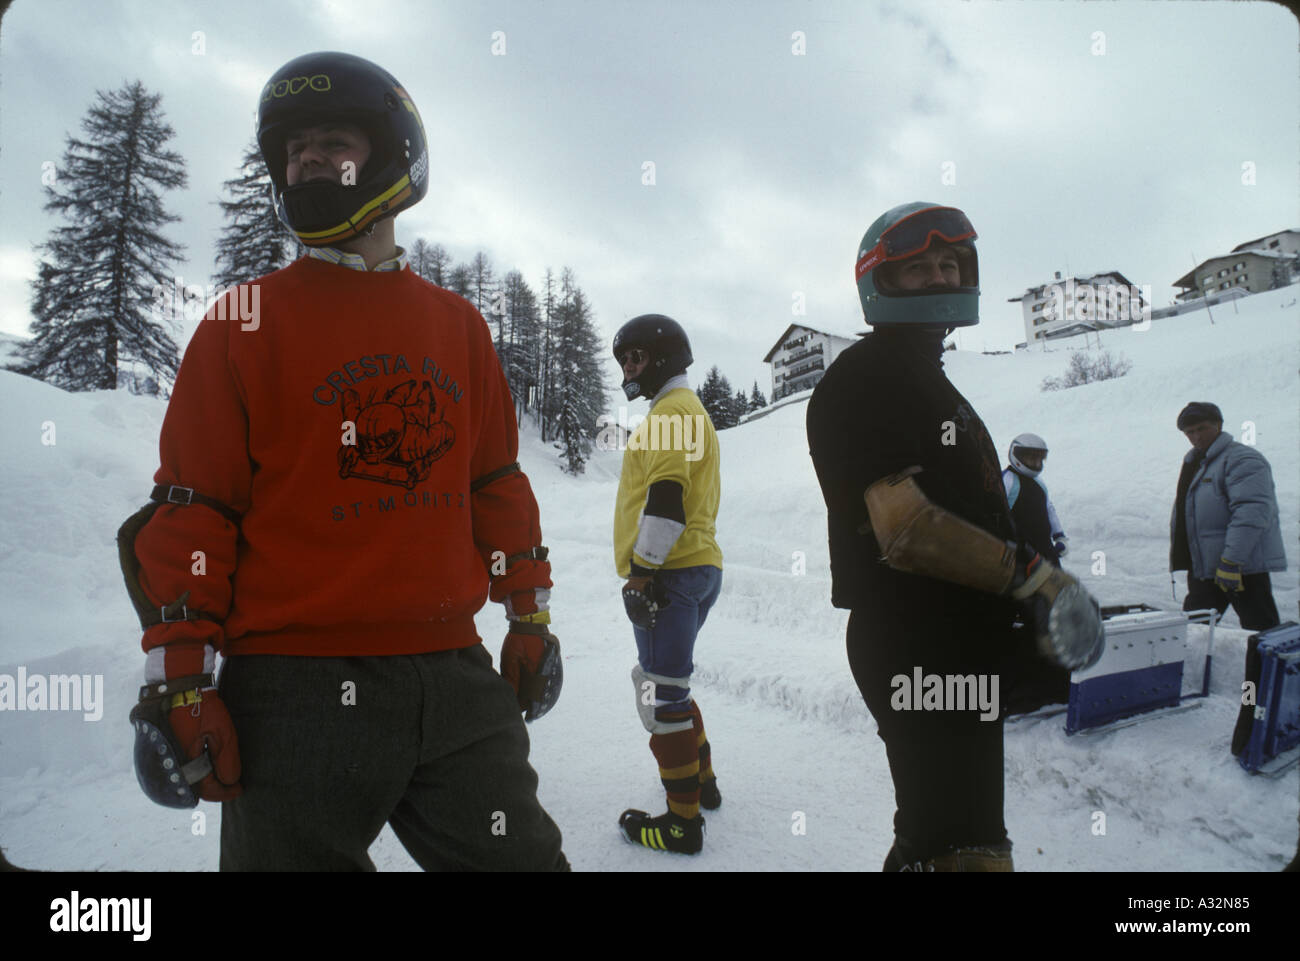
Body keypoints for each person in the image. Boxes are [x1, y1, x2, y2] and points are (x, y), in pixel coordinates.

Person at [118, 51, 567, 871]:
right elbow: (195, 507)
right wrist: (179, 675)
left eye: (333, 140)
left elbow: (494, 482)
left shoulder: (459, 326)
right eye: (294, 151)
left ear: (394, 156)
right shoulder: (242, 321)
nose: (309, 160)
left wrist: (529, 615)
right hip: (295, 692)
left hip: (455, 676)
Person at [805, 202, 1102, 872]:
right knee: (966, 850)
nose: (939, 277)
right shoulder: (867, 374)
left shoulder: (925, 377)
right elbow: (906, 528)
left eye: (949, 264)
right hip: (916, 643)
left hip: (951, 641)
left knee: (942, 839)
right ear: (881, 280)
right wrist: (1038, 577)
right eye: (918, 269)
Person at [611, 314, 723, 855]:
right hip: (696, 566)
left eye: (634, 357)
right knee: (672, 686)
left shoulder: (670, 413)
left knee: (658, 696)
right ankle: (701, 783)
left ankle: (682, 824)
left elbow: (667, 500)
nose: (629, 369)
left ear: (662, 356)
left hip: (671, 569)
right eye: (623, 360)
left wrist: (642, 573)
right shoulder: (686, 410)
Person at [1169, 401, 1286, 755]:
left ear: (1218, 424)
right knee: (1195, 629)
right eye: (1189, 432)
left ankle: (1271, 706)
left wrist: (1231, 562)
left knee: (1261, 635)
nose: (1194, 437)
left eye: (1201, 429)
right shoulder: (1196, 463)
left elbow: (1252, 512)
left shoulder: (1241, 459)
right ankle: (1187, 689)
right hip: (1206, 570)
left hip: (1242, 569)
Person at [999, 433, 1072, 714]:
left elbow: (1048, 509)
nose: (1035, 462)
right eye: (1029, 456)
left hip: (1046, 560)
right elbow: (999, 515)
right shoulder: (1007, 482)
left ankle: (1053, 683)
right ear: (1016, 454)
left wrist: (1059, 535)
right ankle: (1024, 692)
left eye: (1039, 457)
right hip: (1022, 562)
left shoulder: (1037, 484)